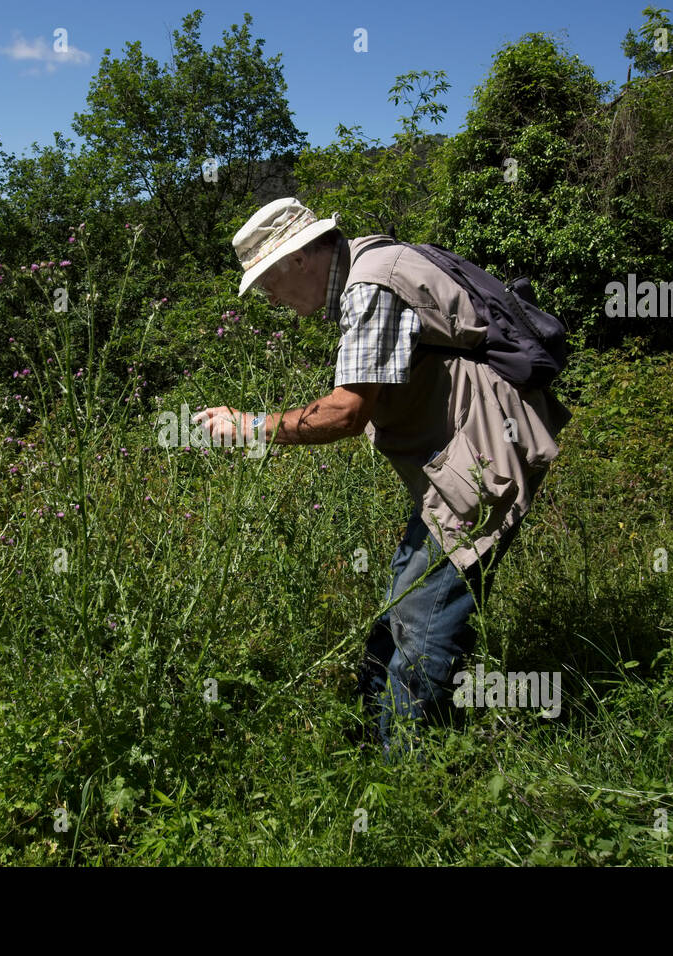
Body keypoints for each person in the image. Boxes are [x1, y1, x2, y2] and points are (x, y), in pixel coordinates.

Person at [194, 197, 571, 759]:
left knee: (427, 613)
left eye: (268, 281)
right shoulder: (371, 264)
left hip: (486, 456)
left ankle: (408, 771)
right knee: (408, 592)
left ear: (299, 258)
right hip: (464, 455)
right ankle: (371, 735)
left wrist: (250, 426)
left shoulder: (372, 286)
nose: (270, 298)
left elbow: (346, 413)